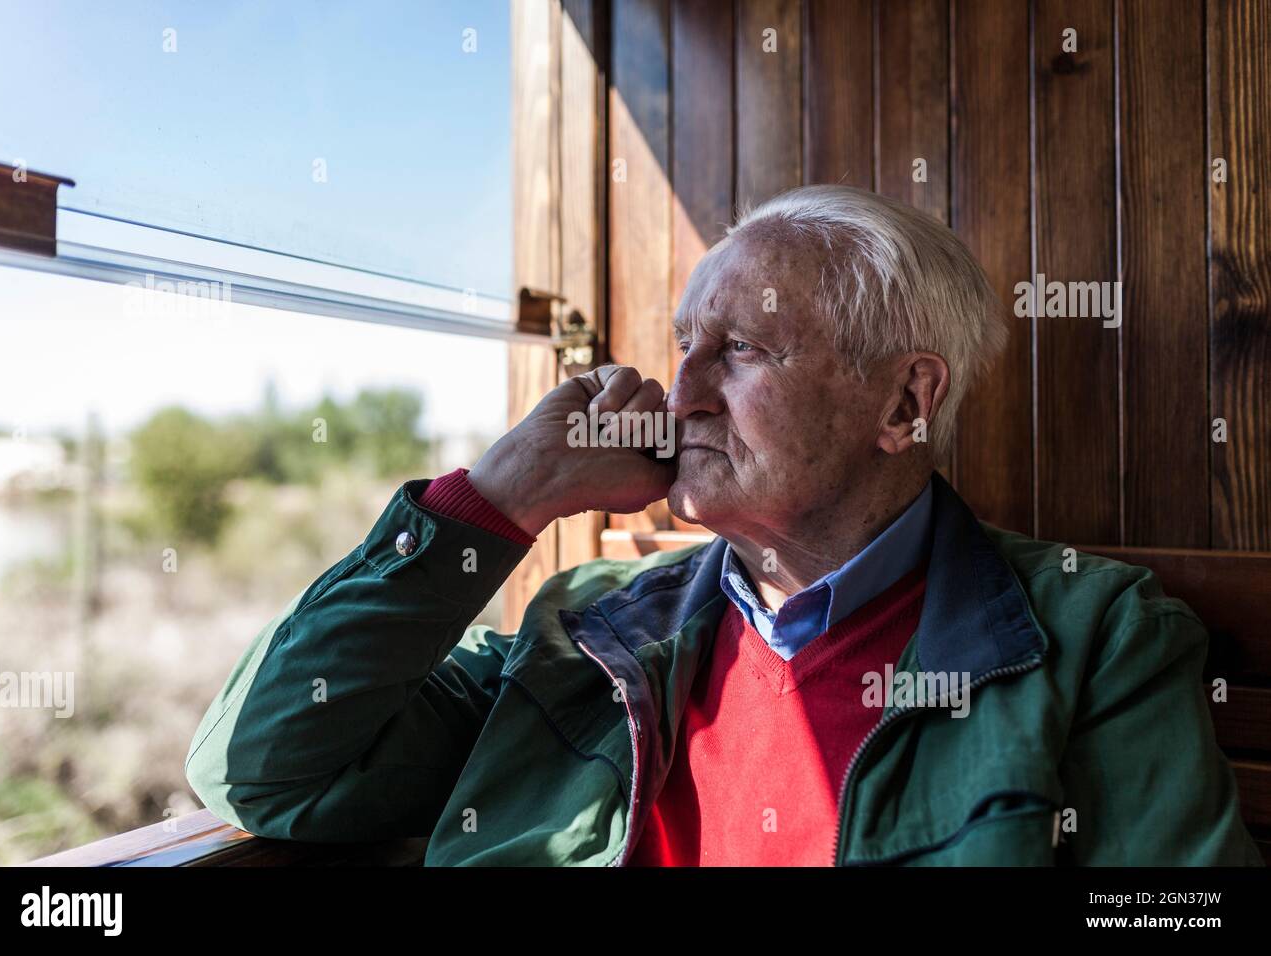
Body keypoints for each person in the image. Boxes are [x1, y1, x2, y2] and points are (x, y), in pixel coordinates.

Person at [185, 185, 1262, 866]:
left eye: (741, 351)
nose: (679, 390)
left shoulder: (1094, 636)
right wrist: (496, 501)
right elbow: (266, 768)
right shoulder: (584, 631)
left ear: (903, 404)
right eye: (683, 345)